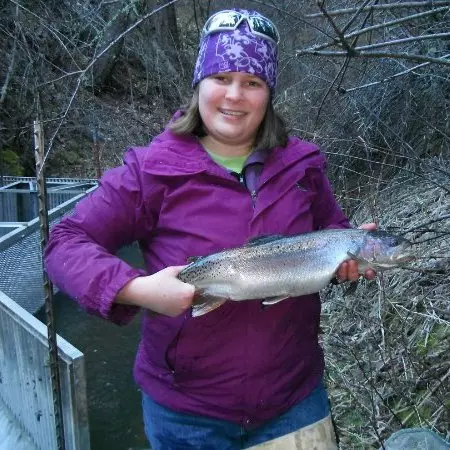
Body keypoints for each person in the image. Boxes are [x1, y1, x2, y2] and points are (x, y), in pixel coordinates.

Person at [45, 8, 376, 450]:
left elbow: (330, 231)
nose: (234, 95)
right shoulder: (150, 172)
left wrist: (347, 253)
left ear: (268, 93)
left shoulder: (303, 165)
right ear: (199, 82)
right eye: (221, 77)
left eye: (253, 82)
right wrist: (136, 289)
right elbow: (63, 244)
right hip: (186, 414)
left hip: (293, 398)